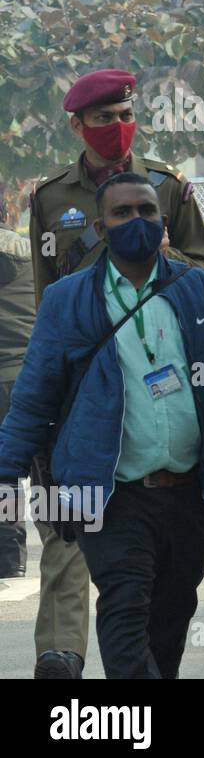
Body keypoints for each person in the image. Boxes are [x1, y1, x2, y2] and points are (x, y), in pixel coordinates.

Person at [0, 173, 204, 678]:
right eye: (123, 213)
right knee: (125, 608)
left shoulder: (202, 290)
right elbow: (33, 397)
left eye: (147, 212)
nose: (137, 221)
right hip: (110, 496)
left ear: (164, 222)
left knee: (170, 621)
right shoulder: (68, 300)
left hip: (187, 493)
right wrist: (6, 474)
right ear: (100, 229)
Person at [25, 68, 204, 680]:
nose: (116, 127)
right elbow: (43, 296)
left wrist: (158, 252)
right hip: (83, 391)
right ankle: (61, 653)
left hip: (156, 391)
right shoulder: (51, 199)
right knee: (68, 520)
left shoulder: (168, 189)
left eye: (124, 114)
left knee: (153, 561)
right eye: (102, 118)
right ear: (78, 125)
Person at [0, 216, 36, 579]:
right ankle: (64, 543)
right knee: (46, 468)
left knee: (2, 476)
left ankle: (10, 559)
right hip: (32, 378)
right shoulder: (31, 253)